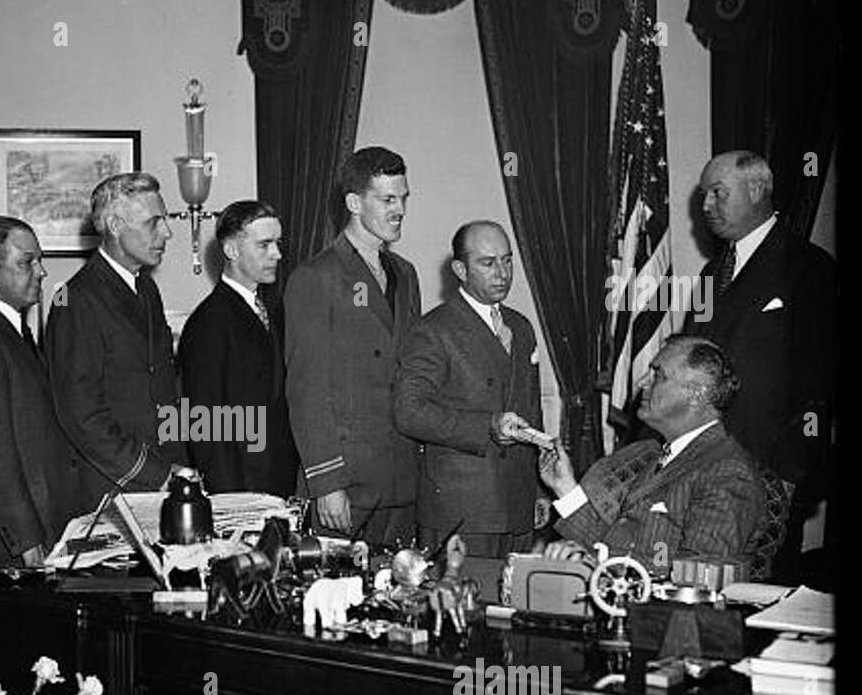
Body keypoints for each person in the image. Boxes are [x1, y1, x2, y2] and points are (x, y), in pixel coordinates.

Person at [684, 151, 837, 579]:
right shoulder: (712, 274)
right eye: (704, 196)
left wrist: (790, 476)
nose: (706, 206)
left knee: (760, 609)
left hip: (769, 478)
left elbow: (819, 384)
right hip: (703, 474)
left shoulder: (811, 269)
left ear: (756, 190)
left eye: (718, 193)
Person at [284, 146, 422, 545]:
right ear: (353, 203)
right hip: (346, 484)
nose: (400, 210)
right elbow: (307, 390)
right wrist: (326, 482)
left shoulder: (405, 274)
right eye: (387, 200)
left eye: (404, 198)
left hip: (401, 477)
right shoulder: (315, 277)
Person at [540, 335, 764, 571]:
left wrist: (599, 560)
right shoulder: (654, 454)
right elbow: (618, 539)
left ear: (697, 392)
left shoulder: (727, 472)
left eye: (658, 375)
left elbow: (698, 575)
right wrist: (564, 488)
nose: (642, 383)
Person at [0, 217, 89, 573]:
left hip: (31, 534)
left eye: (39, 261)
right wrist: (25, 537)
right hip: (5, 547)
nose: (40, 272)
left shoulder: (11, 332)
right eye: (27, 262)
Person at [394, 221, 544, 557]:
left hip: (518, 507)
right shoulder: (433, 330)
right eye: (488, 263)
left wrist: (538, 488)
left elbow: (533, 412)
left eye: (507, 261)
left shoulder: (521, 327)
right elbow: (409, 412)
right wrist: (486, 426)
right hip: (461, 510)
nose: (502, 273)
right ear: (460, 269)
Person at [44, 172, 190, 503]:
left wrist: (178, 465)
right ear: (114, 225)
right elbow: (81, 415)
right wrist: (154, 473)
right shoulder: (75, 298)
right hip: (112, 489)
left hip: (160, 480)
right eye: (153, 223)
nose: (166, 233)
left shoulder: (146, 289)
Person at [177, 200, 298, 496]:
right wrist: (231, 501)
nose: (277, 254)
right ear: (231, 251)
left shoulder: (273, 308)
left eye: (278, 243)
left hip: (278, 479)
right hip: (241, 488)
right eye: (265, 245)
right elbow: (206, 426)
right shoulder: (208, 323)